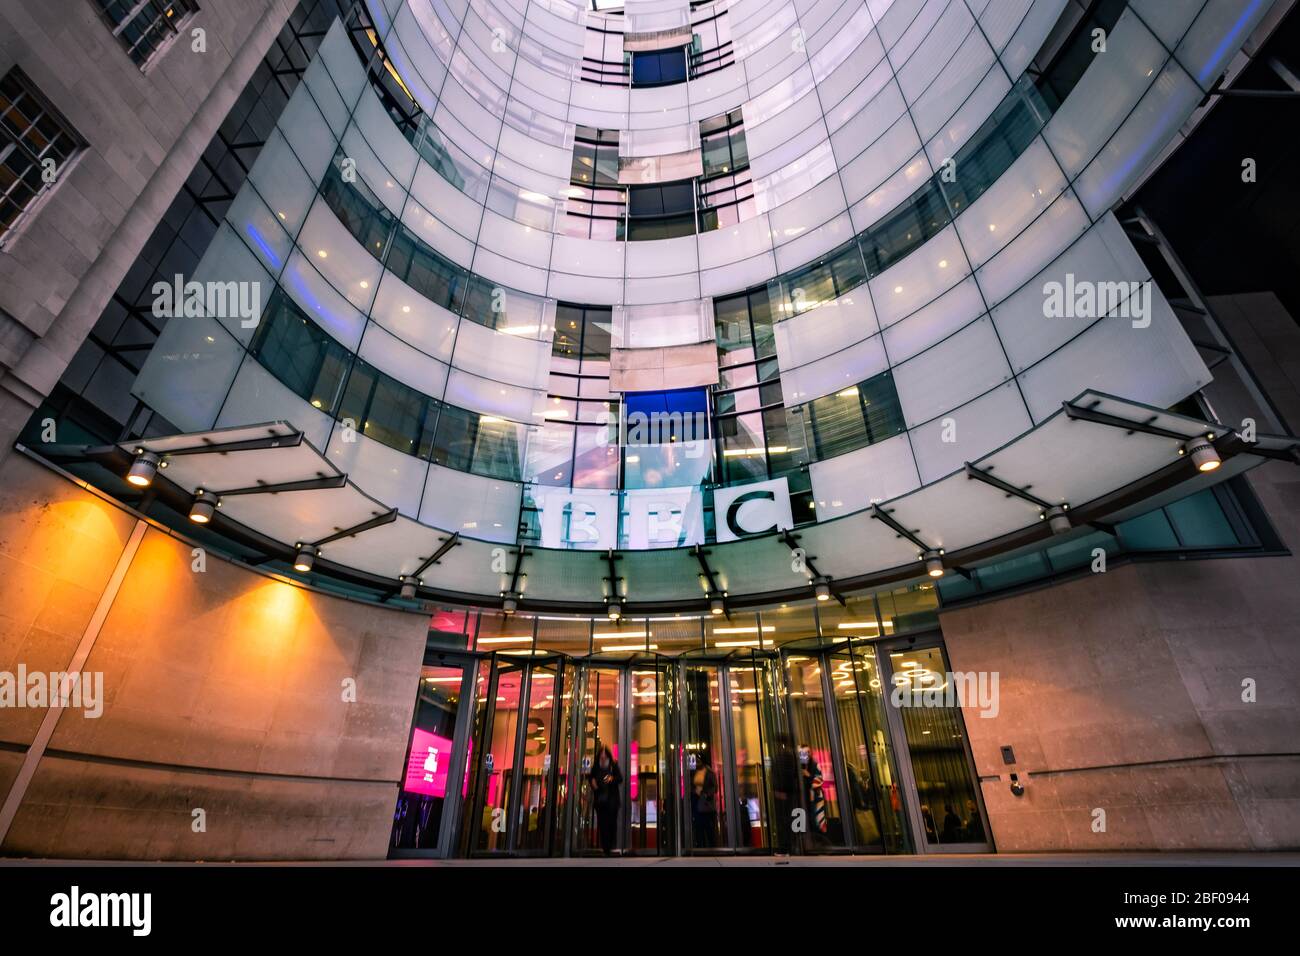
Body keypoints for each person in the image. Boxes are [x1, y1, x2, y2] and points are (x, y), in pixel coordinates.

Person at [588, 745, 623, 856]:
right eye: (601, 755)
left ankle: (610, 846)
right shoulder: (596, 766)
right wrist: (593, 782)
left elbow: (620, 778)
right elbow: (591, 777)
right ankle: (606, 849)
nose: (603, 757)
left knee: (611, 824)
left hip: (612, 801)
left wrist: (611, 779)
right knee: (603, 825)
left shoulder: (613, 765)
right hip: (600, 801)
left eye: (605, 755)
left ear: (608, 755)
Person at [691, 755, 719, 848]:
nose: (697, 763)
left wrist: (706, 795)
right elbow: (691, 785)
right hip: (696, 800)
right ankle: (700, 847)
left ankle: (712, 847)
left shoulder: (709, 772)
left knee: (708, 827)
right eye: (696, 761)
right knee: (698, 826)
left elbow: (714, 787)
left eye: (699, 761)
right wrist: (694, 791)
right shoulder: (693, 772)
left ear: (703, 761)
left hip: (706, 802)